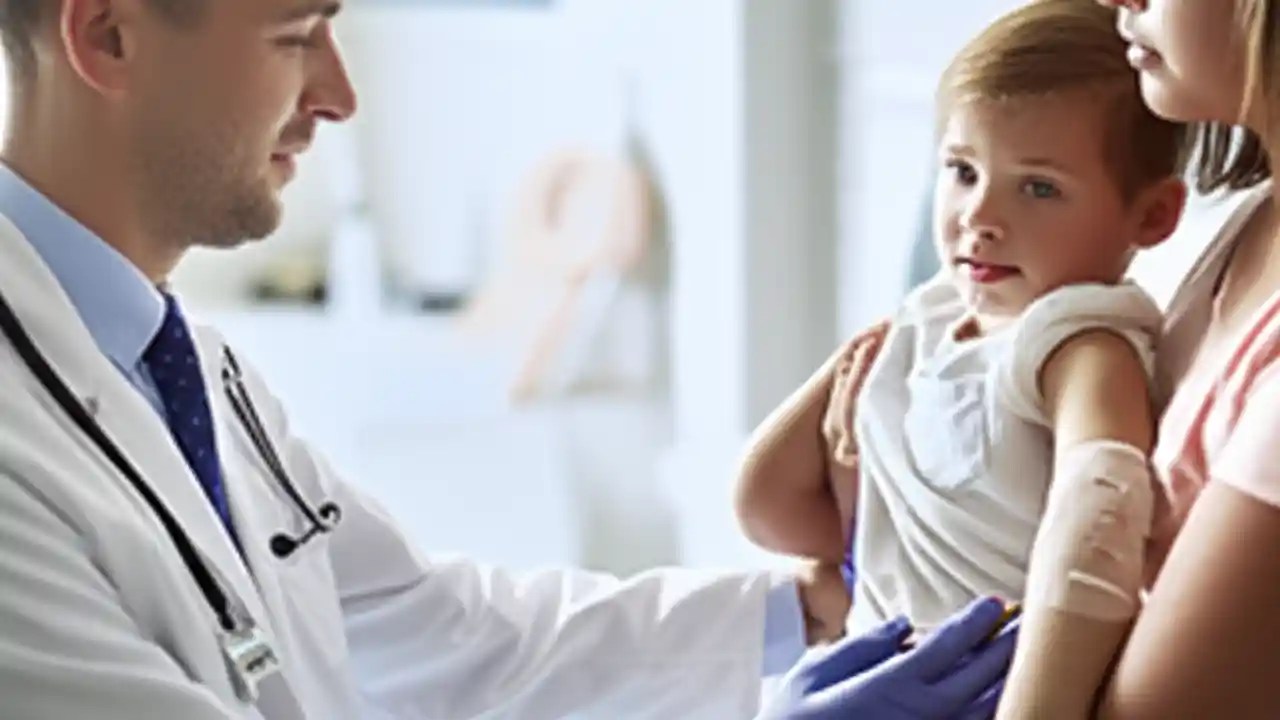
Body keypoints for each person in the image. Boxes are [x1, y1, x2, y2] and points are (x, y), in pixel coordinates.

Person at [0, 0, 1014, 717]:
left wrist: (812, 610)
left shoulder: (180, 367)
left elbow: (446, 635)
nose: (339, 93)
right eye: (296, 34)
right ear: (108, 33)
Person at [786, 0, 1280, 716]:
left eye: (1040, 187)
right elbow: (773, 510)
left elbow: (1152, 697)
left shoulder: (1088, 339)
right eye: (959, 170)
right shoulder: (1242, 230)